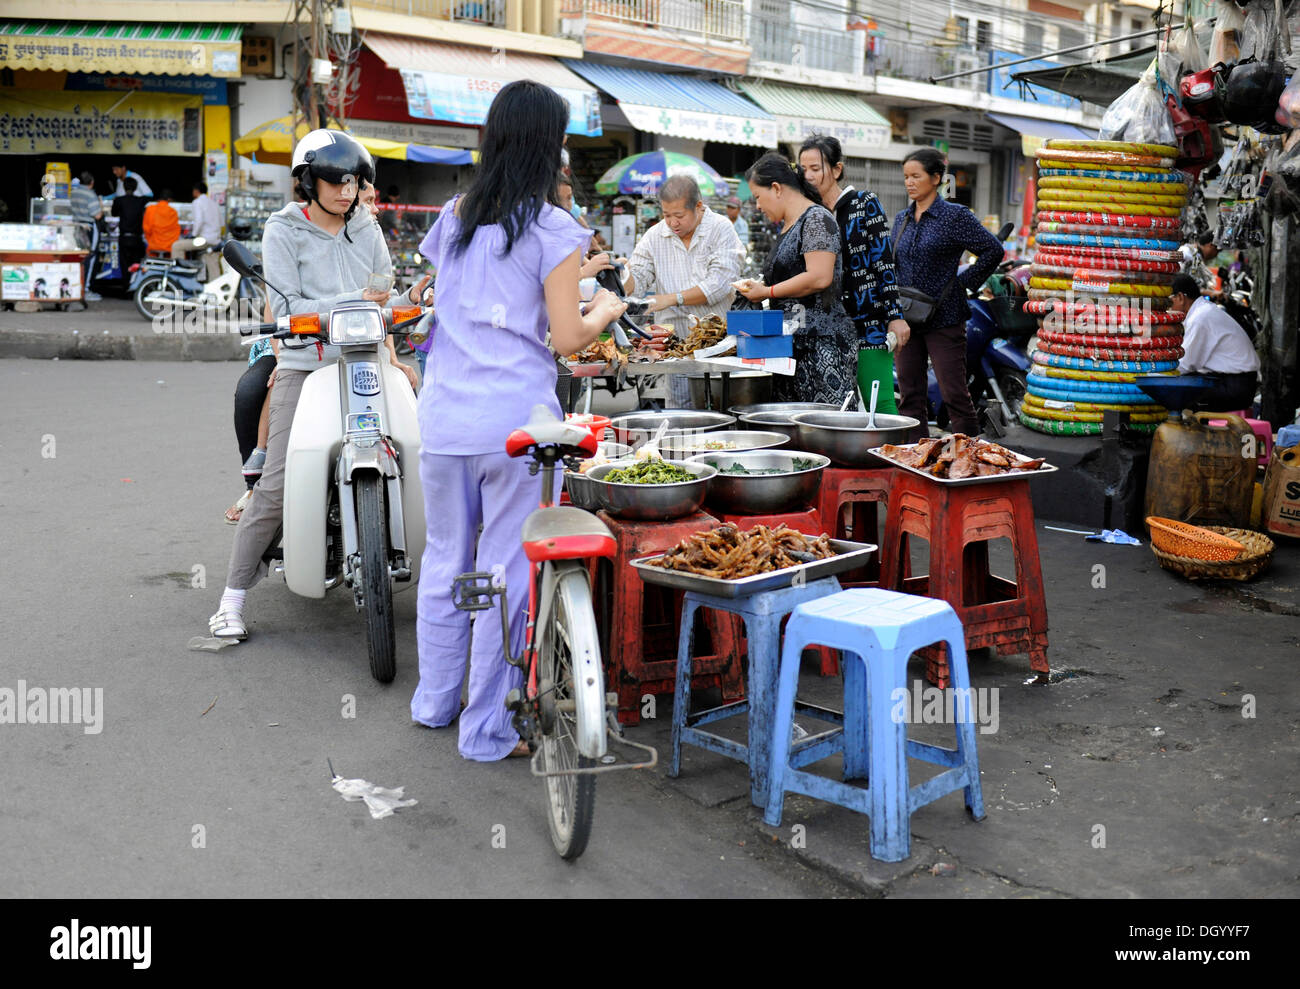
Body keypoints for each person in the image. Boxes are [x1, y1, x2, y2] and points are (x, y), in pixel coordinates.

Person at [412, 79, 625, 760]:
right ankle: (486, 731)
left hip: (444, 418)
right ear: (547, 146)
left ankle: (435, 703)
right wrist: (608, 312)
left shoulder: (455, 214)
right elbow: (566, 337)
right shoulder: (553, 228)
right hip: (516, 428)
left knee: (447, 558)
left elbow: (443, 297)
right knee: (505, 570)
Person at [207, 128, 424, 641]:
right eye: (335, 180)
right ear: (308, 181)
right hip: (306, 364)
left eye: (354, 181)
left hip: (366, 359)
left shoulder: (366, 226)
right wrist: (357, 300)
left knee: (422, 454)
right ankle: (232, 599)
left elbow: (384, 292)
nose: (347, 191)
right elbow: (285, 307)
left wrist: (407, 303)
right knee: (276, 483)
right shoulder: (282, 229)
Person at [890, 148, 1003, 441]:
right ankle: (917, 456)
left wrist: (963, 283)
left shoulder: (954, 216)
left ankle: (970, 457)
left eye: (916, 176)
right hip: (907, 320)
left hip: (946, 317)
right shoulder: (901, 219)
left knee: (954, 393)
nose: (909, 182)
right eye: (906, 177)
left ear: (936, 178)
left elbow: (993, 249)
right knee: (910, 396)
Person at [799, 134, 911, 414]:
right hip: (825, 327)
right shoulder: (808, 214)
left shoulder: (864, 203)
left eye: (816, 168)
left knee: (881, 403)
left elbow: (884, 262)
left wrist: (895, 317)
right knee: (834, 409)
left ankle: (892, 457)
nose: (808, 176)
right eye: (804, 169)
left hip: (868, 323)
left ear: (836, 169)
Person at [734, 152, 858, 405]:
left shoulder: (816, 219)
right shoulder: (789, 225)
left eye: (758, 196)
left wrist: (767, 292)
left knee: (825, 429)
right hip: (792, 344)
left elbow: (819, 277)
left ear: (776, 188)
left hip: (822, 345)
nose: (757, 205)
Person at [624, 174, 743, 407]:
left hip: (718, 347)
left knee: (720, 414)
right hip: (675, 349)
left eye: (679, 215)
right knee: (681, 418)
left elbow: (719, 284)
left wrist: (672, 299)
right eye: (666, 215)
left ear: (698, 207)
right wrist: (622, 273)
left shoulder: (720, 228)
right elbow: (637, 280)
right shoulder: (655, 235)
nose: (672, 222)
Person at [1169, 273, 1260, 411]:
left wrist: (1155, 374)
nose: (1167, 308)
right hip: (1235, 381)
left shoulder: (1200, 317)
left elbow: (1185, 364)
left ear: (1181, 297)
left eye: (1169, 301)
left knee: (1174, 390)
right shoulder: (1202, 311)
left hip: (1235, 386)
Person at [171, 182, 222, 281]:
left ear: (196, 191)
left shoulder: (197, 202)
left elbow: (199, 221)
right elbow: (221, 223)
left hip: (203, 240)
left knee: (176, 246)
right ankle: (215, 291)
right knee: (212, 264)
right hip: (215, 240)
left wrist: (193, 235)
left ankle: (180, 278)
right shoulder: (214, 203)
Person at [69, 172, 104, 301]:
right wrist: (100, 205)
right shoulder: (91, 194)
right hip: (89, 228)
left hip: (76, 227)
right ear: (92, 182)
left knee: (79, 257)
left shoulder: (74, 192)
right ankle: (86, 289)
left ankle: (78, 287)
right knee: (90, 256)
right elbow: (97, 215)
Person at [111, 176, 147, 275]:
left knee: (124, 264)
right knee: (136, 265)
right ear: (135, 188)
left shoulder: (119, 200)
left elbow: (113, 213)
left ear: (123, 187)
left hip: (124, 238)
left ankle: (125, 285)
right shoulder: (141, 201)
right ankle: (134, 286)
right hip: (136, 239)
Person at [142, 189, 180, 255]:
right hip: (169, 246)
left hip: (153, 245)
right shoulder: (173, 212)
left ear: (158, 199)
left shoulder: (150, 209)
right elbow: (176, 230)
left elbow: (146, 229)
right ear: (169, 200)